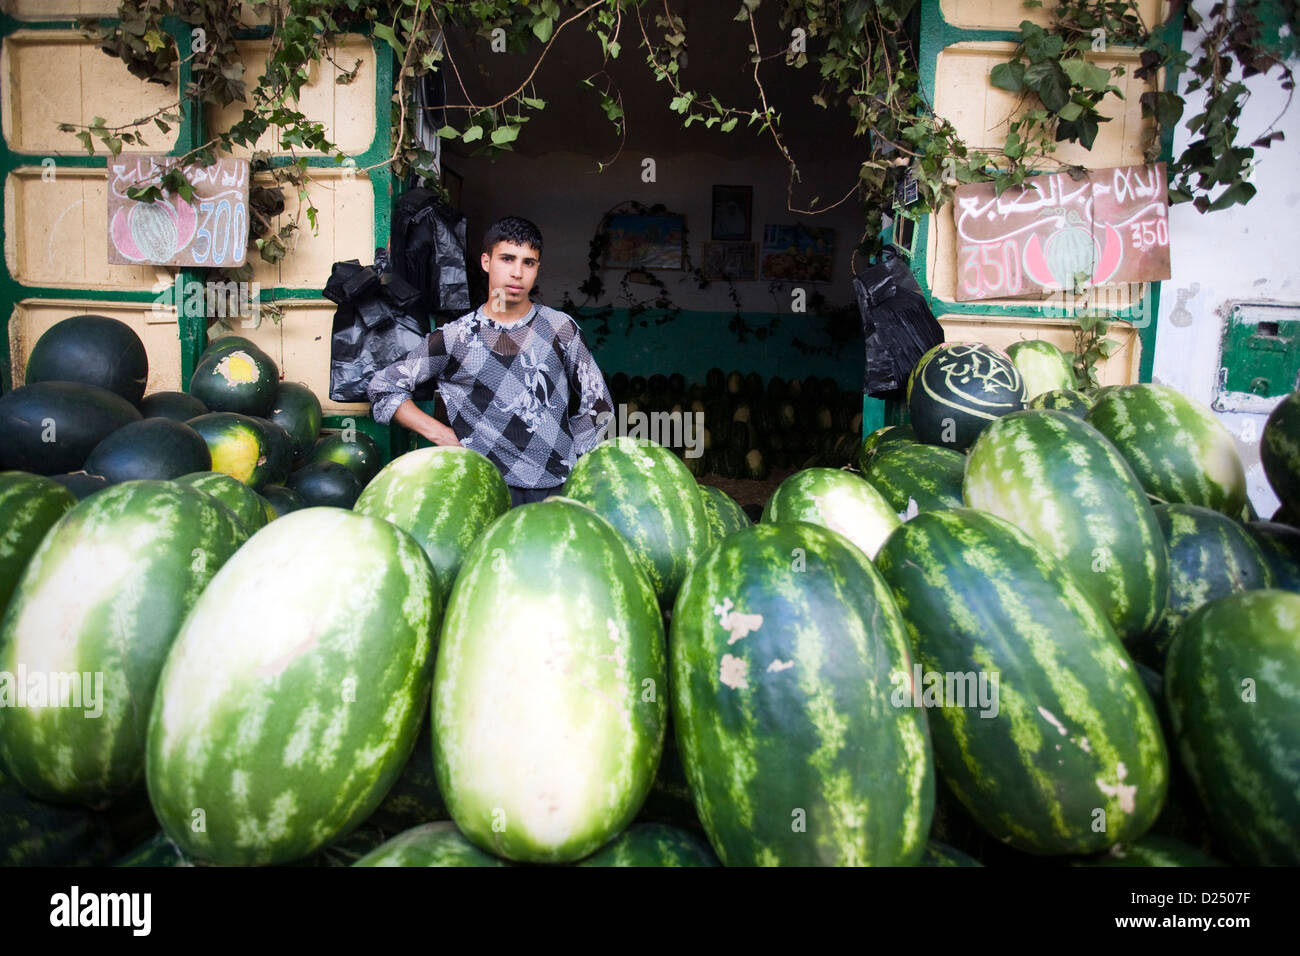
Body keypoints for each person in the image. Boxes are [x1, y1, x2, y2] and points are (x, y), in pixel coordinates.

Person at [367, 215, 614, 507]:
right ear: (486, 262)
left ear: (537, 268)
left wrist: (575, 461)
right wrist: (441, 434)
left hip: (557, 489)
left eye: (528, 262)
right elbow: (383, 387)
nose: (517, 273)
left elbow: (599, 405)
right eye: (507, 259)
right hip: (485, 490)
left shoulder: (560, 328)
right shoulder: (455, 338)